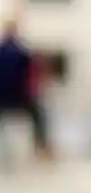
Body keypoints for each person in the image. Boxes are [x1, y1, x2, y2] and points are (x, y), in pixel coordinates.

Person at [0, 18, 53, 161]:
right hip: (20, 99)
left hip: (3, 100)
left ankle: (41, 148)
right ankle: (41, 147)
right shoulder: (23, 53)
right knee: (39, 114)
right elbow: (34, 76)